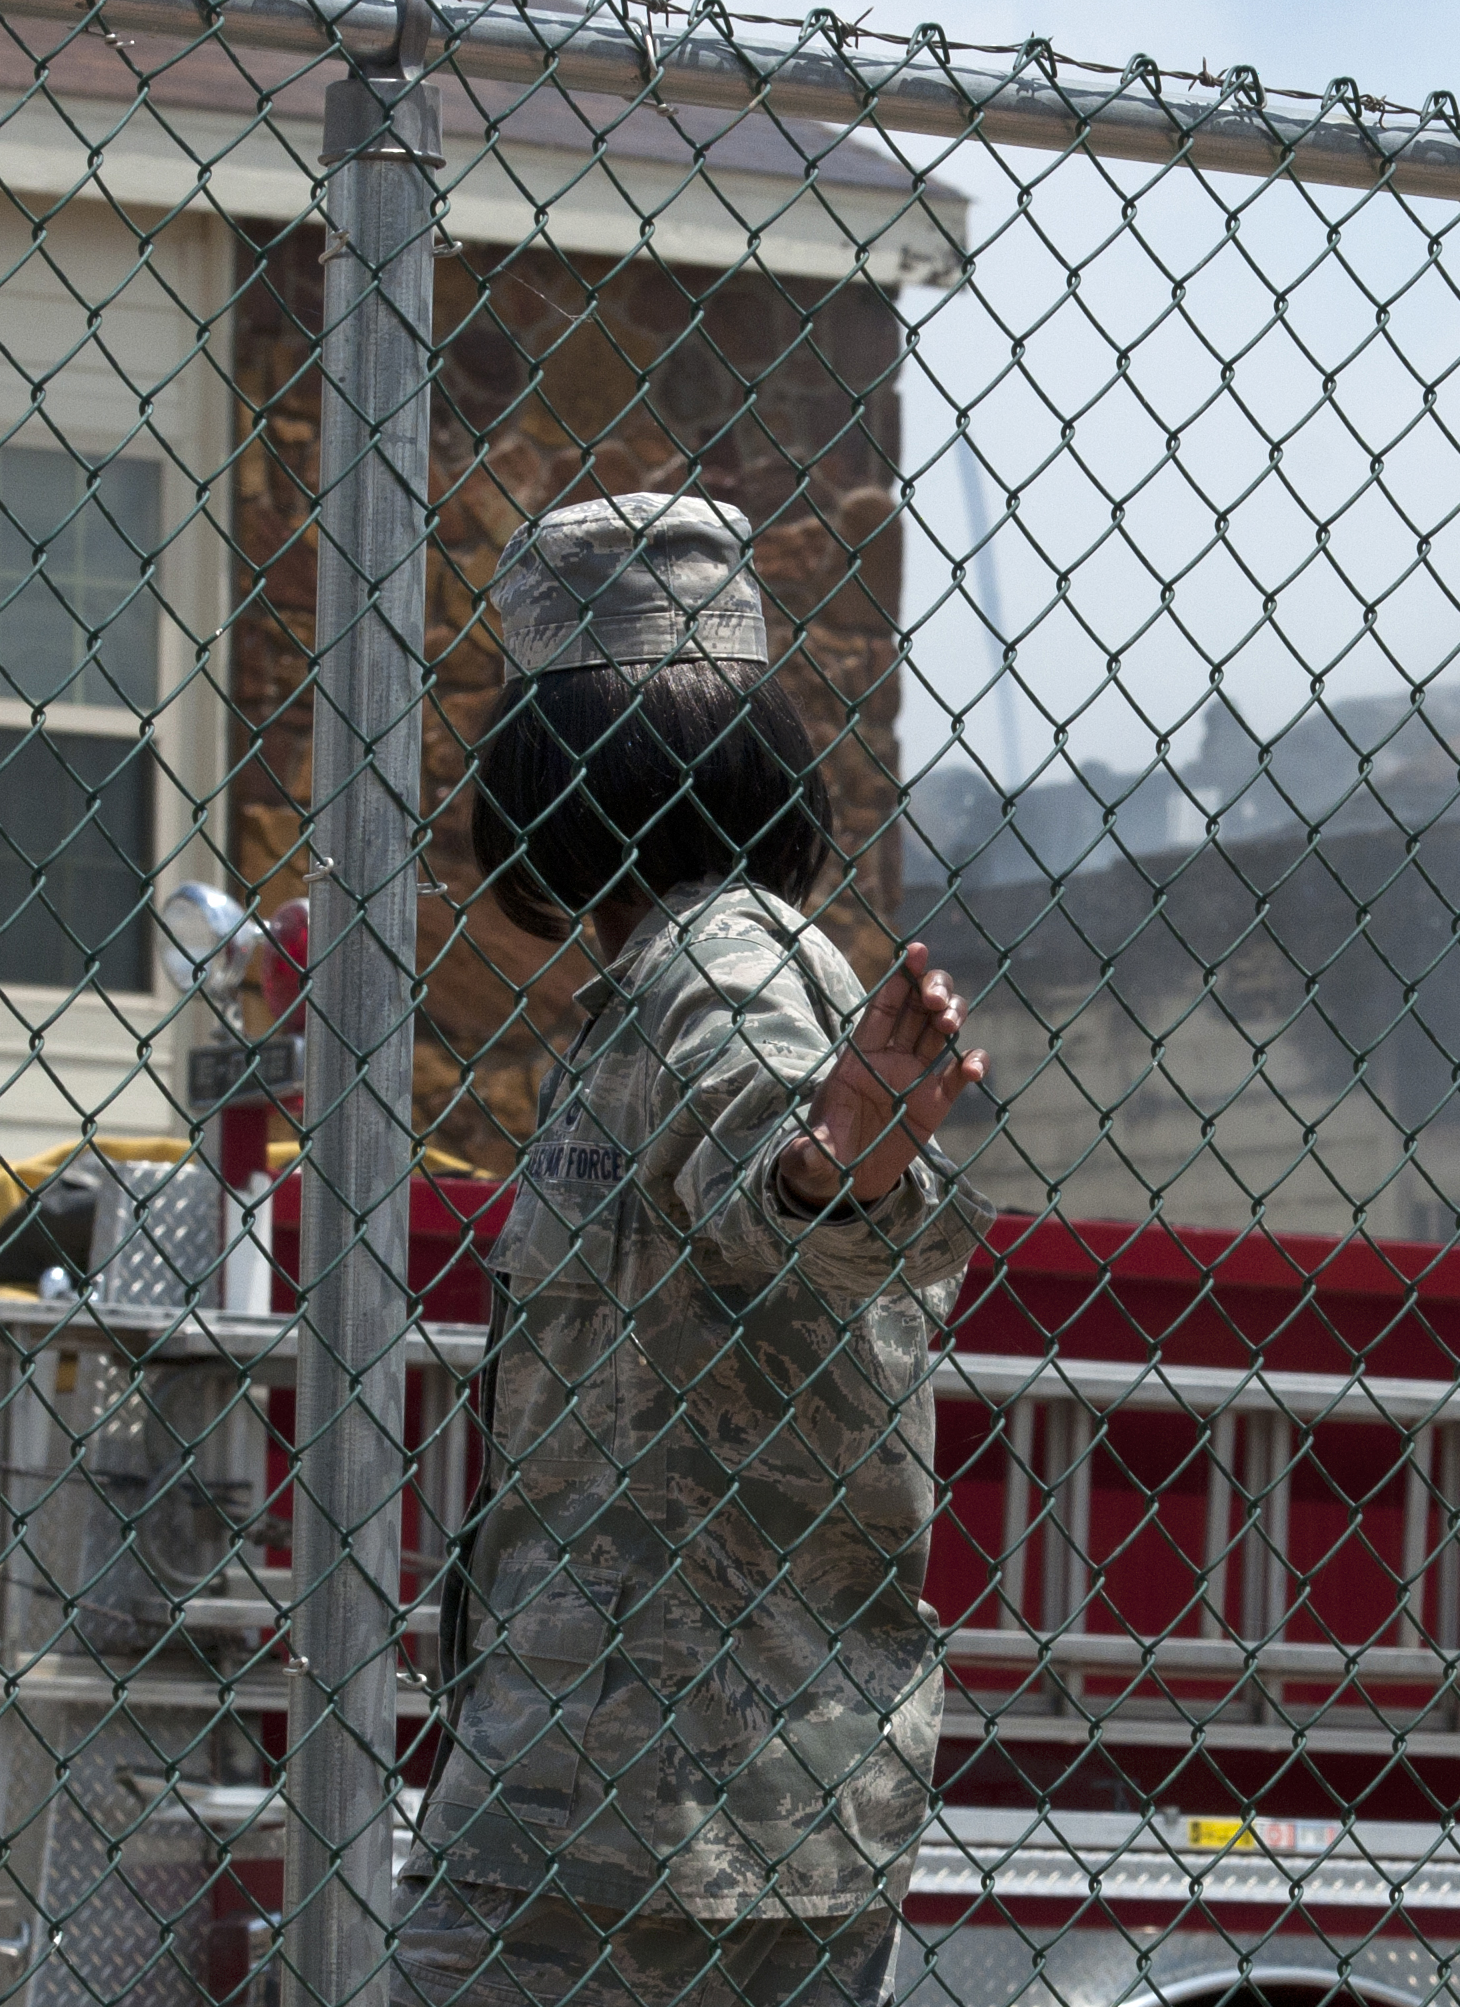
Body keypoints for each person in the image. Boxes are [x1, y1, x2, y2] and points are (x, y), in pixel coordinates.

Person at [405, 493, 990, 2007]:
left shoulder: (718, 958)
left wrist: (833, 1165)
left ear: (552, 768)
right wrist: (831, 1161)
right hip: (735, 1799)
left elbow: (767, 1156)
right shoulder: (675, 971)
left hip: (619, 1817)